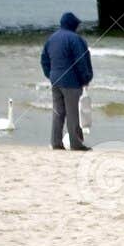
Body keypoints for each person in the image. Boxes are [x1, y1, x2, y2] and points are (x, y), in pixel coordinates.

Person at [40, 11, 93, 151]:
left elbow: (44, 60)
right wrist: (86, 78)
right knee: (73, 114)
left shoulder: (51, 38)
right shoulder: (75, 39)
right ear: (73, 25)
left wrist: (50, 75)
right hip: (71, 82)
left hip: (56, 81)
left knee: (58, 113)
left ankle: (56, 142)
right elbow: (81, 61)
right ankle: (76, 144)